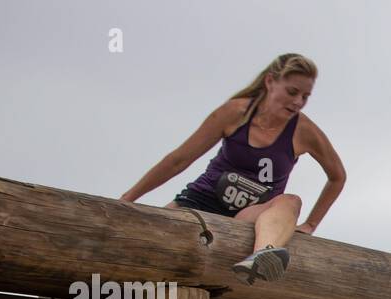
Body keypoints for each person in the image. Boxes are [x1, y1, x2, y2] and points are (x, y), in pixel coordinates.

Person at [120, 53, 346, 284]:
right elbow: (180, 159)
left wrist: (310, 224)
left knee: (291, 201)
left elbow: (337, 176)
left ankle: (262, 255)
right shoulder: (236, 113)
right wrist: (129, 198)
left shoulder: (304, 131)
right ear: (270, 82)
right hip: (199, 202)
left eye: (305, 96)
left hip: (248, 215)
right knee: (139, 253)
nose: (298, 101)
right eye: (292, 92)